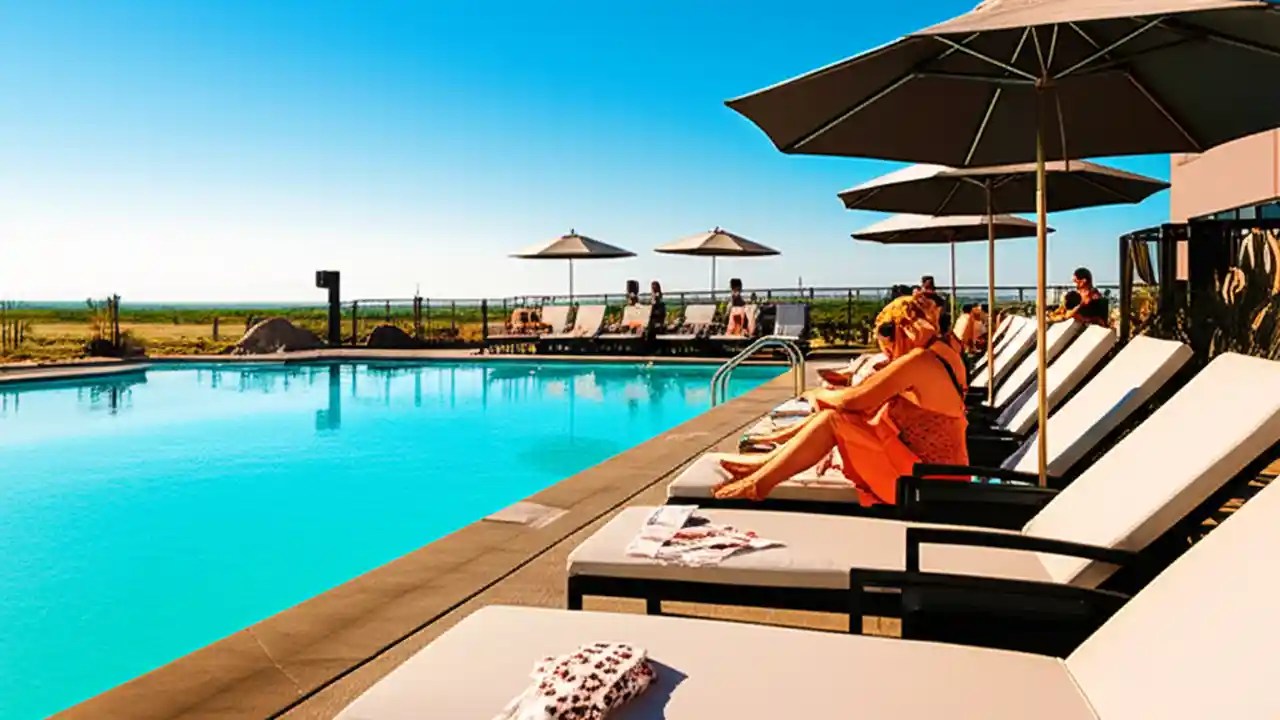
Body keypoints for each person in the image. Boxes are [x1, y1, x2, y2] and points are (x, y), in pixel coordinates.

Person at [714, 295, 968, 506]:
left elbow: (853, 401)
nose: (888, 354)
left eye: (888, 344)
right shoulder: (944, 354)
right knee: (838, 418)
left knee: (834, 420)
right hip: (938, 477)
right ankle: (762, 467)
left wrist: (817, 394)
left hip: (928, 487)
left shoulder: (919, 361)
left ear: (901, 330)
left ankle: (757, 486)